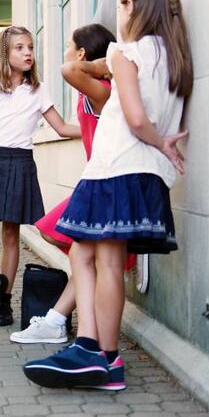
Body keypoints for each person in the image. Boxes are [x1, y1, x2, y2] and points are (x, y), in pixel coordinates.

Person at [23, 0, 193, 392]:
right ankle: (92, 350)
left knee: (102, 261)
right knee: (87, 253)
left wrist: (160, 142)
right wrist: (107, 63)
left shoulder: (127, 53)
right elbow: (98, 71)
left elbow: (136, 118)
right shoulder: (174, 59)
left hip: (116, 167)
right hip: (143, 174)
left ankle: (101, 356)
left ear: (132, 7)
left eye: (122, 6)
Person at [10, 23, 127, 344]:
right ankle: (59, 320)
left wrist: (104, 62)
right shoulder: (98, 92)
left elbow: (67, 69)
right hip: (96, 181)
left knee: (76, 248)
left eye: (67, 45)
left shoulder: (101, 88)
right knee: (67, 243)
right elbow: (84, 130)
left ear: (81, 54)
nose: (63, 52)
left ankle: (62, 324)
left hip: (105, 183)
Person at [0, 26, 81, 327]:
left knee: (10, 234)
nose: (28, 52)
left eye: (30, 47)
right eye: (19, 48)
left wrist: (100, 127)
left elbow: (63, 128)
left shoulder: (38, 91)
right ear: (4, 53)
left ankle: (3, 301)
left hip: (19, 163)